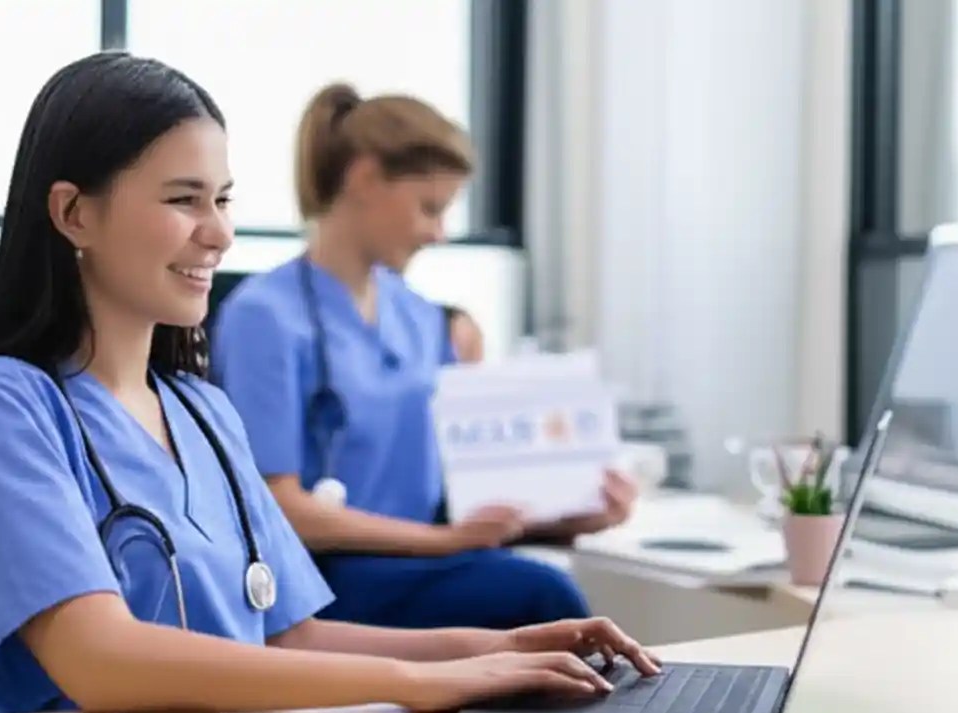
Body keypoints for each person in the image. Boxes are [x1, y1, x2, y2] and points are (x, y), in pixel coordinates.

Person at [0, 53, 659, 713]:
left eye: (224, 199)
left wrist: (493, 648)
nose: (218, 232)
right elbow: (100, 661)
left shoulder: (202, 411)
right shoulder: (1, 409)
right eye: (183, 200)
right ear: (74, 214)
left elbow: (290, 634)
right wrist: (412, 682)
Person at [210, 83, 638, 631]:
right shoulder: (264, 317)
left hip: (417, 558)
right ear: (364, 178)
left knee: (538, 590)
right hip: (315, 578)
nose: (438, 233)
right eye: (429, 208)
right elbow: (279, 508)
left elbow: (454, 500)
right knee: (540, 595)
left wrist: (569, 515)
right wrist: (444, 542)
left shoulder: (422, 320)